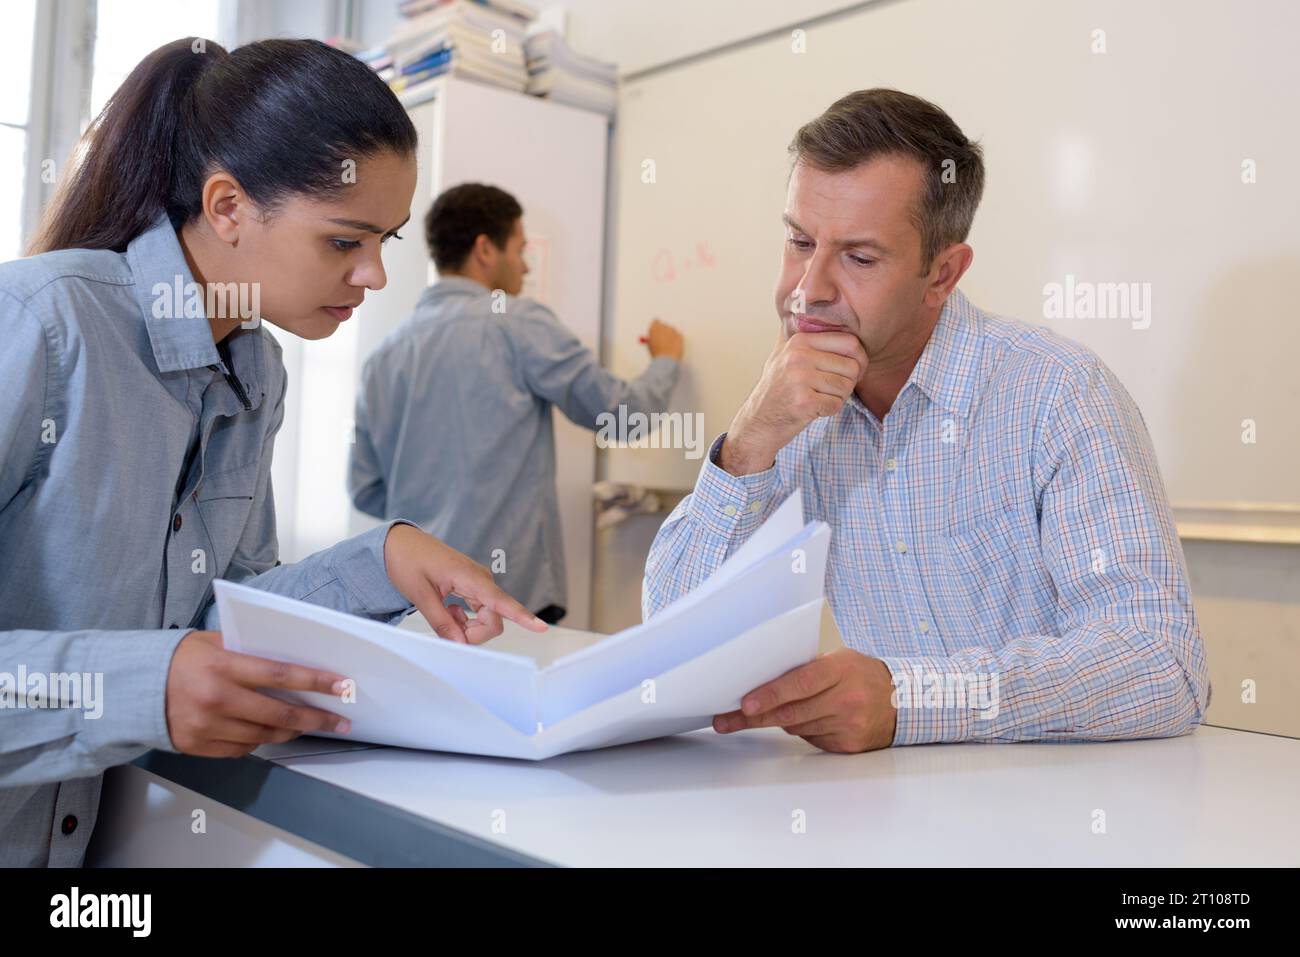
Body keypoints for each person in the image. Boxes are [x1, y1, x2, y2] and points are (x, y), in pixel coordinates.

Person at [0, 38, 544, 868]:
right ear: (227, 208)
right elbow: (160, 663)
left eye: (387, 241)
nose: (373, 277)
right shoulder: (40, 323)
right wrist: (145, 685)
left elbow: (219, 609)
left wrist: (381, 559)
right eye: (342, 241)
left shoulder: (256, 368)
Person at [643, 89, 1209, 753]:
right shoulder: (790, 412)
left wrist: (913, 696)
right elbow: (667, 645)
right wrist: (748, 442)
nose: (808, 288)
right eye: (799, 241)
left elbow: (1161, 662)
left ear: (941, 273)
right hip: (892, 819)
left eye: (858, 257)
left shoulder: (1057, 393)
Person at [349, 183, 685, 624]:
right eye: (520, 250)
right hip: (502, 606)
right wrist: (665, 359)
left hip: (416, 605)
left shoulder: (384, 356)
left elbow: (366, 489)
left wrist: (437, 512)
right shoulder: (516, 322)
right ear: (485, 249)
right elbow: (622, 417)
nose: (525, 267)